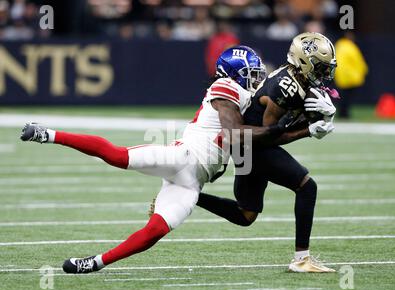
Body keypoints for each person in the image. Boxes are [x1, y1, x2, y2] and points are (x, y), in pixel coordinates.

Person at [20, 45, 300, 274]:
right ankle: (48, 134)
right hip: (182, 157)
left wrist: (305, 124)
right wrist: (279, 127)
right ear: (233, 74)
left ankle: (96, 262)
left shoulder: (247, 96)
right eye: (251, 74)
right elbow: (234, 131)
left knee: (156, 230)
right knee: (117, 156)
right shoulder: (226, 87)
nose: (255, 79)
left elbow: (263, 128)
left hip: (193, 183)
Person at [195, 32, 337, 272]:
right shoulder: (286, 87)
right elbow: (270, 135)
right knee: (306, 186)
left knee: (246, 214)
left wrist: (325, 115)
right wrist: (309, 130)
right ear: (304, 63)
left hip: (249, 146)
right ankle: (302, 259)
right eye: (321, 68)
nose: (325, 74)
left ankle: (189, 195)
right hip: (251, 146)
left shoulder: (298, 79)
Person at [334, 31, 368, 119]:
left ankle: (344, 113)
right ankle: (343, 113)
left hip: (347, 76)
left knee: (346, 97)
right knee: (346, 97)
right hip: (349, 77)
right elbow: (345, 63)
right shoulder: (346, 46)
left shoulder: (342, 46)